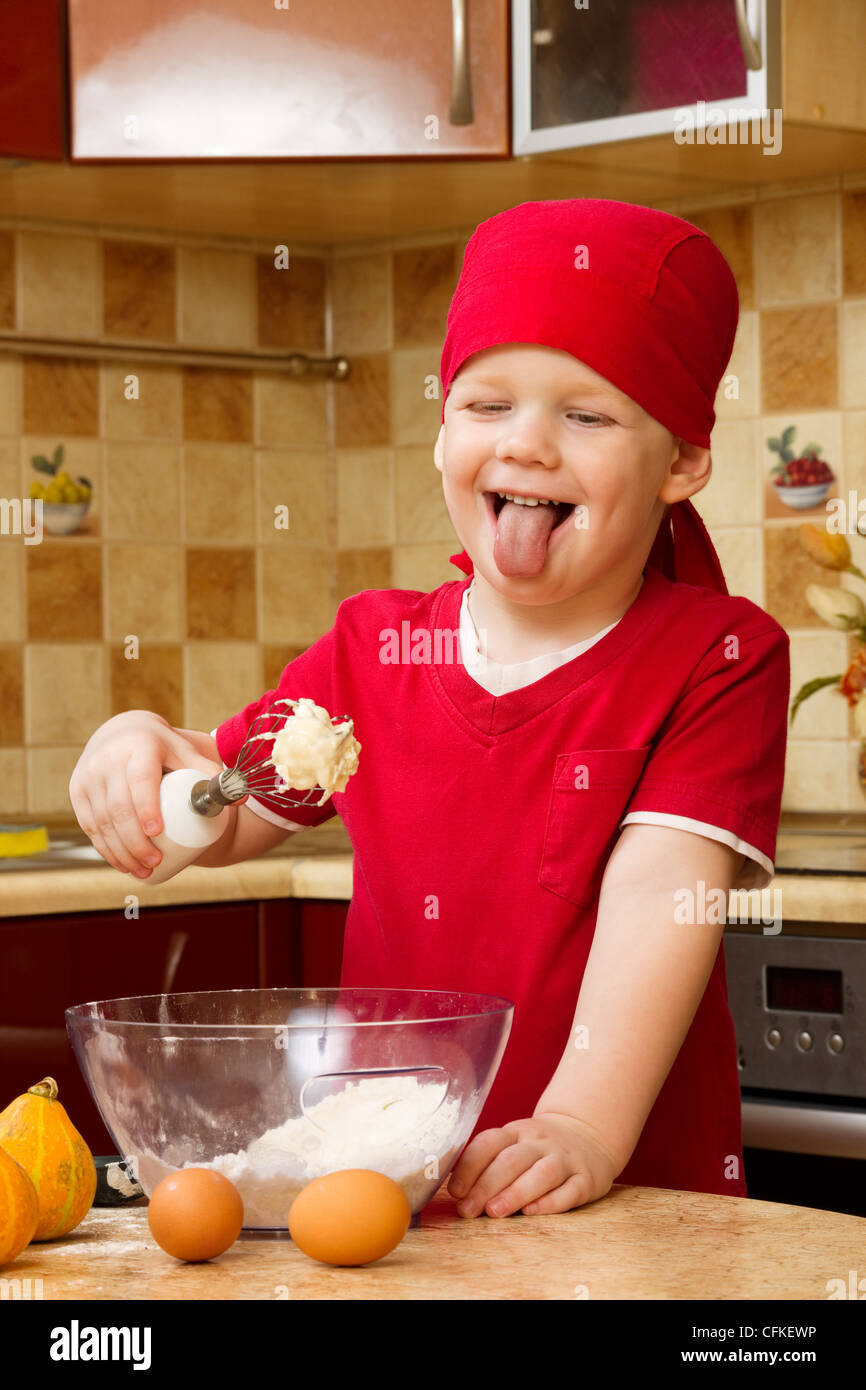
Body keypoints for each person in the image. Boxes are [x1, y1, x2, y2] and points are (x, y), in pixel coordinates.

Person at [70, 199, 790, 1220]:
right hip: (385, 1198)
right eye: (485, 403)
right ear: (442, 424)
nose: (527, 445)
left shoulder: (715, 658)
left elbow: (660, 896)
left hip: (606, 1197)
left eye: (585, 415)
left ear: (678, 462)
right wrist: (133, 746)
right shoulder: (370, 651)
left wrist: (581, 1126)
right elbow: (229, 803)